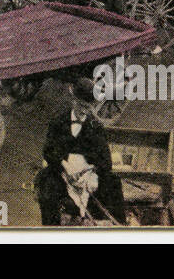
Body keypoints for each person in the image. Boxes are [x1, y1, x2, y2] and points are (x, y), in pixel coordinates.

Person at [36, 78, 125, 225]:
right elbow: (48, 151)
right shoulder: (58, 122)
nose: (84, 110)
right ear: (74, 101)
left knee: (114, 183)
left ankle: (119, 230)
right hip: (63, 171)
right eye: (82, 105)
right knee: (45, 184)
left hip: (88, 173)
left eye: (89, 107)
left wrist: (94, 175)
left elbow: (105, 161)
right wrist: (63, 165)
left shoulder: (96, 126)